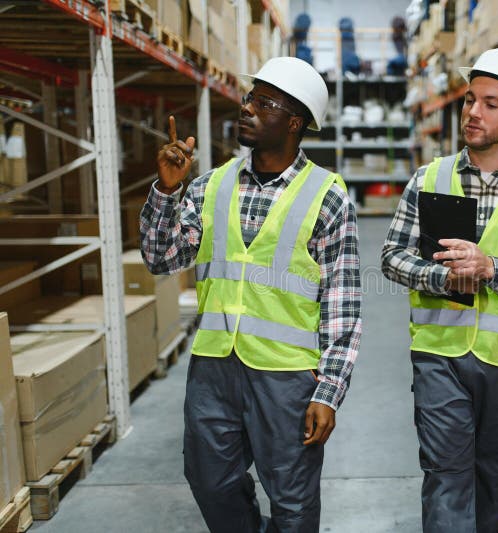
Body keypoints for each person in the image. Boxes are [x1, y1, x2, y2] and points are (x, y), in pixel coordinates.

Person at [140, 57, 362, 533]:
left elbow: (343, 303)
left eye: (263, 103)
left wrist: (330, 391)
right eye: (249, 98)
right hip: (213, 366)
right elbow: (162, 259)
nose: (247, 108)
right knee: (209, 479)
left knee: (292, 497)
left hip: (285, 375)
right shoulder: (210, 185)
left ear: (295, 121)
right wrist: (166, 190)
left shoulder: (327, 195)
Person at [381, 47, 498, 532]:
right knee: (445, 476)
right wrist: (439, 276)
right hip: (439, 356)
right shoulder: (430, 178)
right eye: (469, 100)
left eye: (491, 103)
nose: (472, 113)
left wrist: (491, 269)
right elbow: (392, 258)